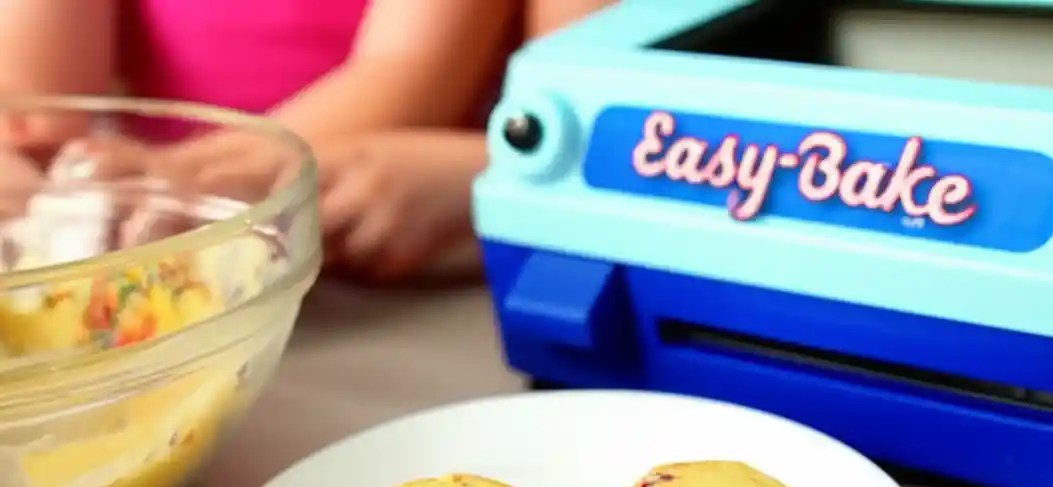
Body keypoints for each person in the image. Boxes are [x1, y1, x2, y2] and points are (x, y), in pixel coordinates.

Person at [0, 0, 615, 283]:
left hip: (388, 278)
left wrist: (182, 188)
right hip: (174, 255)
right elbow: (28, 102)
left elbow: (404, 76)